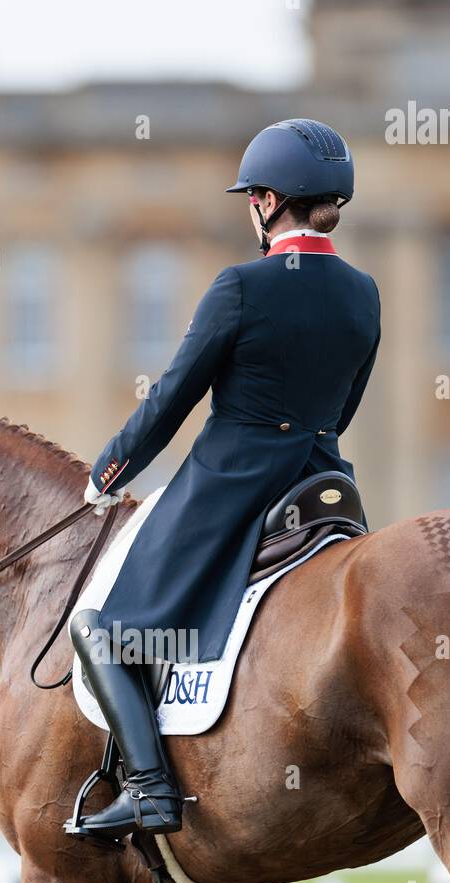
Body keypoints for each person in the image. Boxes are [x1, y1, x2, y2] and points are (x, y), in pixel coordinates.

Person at [68, 118, 380, 842]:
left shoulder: (241, 286)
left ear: (268, 202)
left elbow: (171, 398)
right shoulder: (363, 292)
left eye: (252, 197)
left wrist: (107, 472)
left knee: (104, 632)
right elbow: (345, 406)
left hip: (230, 487)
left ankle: (149, 790)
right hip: (323, 486)